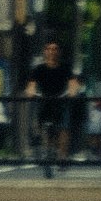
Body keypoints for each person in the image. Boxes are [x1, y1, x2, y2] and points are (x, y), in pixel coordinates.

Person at [25, 30, 76, 172]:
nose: (52, 52)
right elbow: (31, 85)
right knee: (45, 129)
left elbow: (73, 84)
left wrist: (71, 92)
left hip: (61, 100)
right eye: (48, 49)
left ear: (59, 51)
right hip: (45, 101)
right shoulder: (38, 69)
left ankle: (62, 158)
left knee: (64, 128)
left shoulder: (65, 67)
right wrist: (31, 92)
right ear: (44, 51)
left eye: (55, 49)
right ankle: (47, 153)